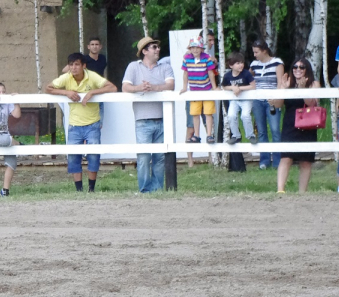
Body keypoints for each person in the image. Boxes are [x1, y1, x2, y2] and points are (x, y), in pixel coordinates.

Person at [47, 52, 117, 193]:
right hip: (74, 124)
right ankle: (79, 189)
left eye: (77, 64)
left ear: (84, 66)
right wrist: (66, 93)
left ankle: (91, 188)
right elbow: (48, 88)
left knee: (93, 155)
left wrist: (92, 93)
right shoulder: (66, 78)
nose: (74, 68)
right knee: (73, 157)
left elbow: (112, 88)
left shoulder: (92, 76)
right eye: (71, 65)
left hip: (92, 123)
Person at [121, 36, 176, 193]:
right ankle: (145, 189)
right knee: (144, 157)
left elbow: (171, 85)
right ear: (144, 51)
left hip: (162, 118)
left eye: (157, 47)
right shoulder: (133, 66)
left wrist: (154, 88)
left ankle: (157, 189)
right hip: (143, 119)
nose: (157, 49)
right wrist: (140, 88)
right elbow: (125, 87)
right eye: (153, 47)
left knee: (159, 157)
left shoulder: (165, 67)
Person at [273, 59, 320, 194]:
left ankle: (302, 193)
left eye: (301, 67)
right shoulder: (287, 82)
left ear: (307, 69)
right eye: (295, 67)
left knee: (305, 160)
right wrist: (283, 88)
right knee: (286, 157)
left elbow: (311, 103)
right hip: (290, 123)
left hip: (308, 124)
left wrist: (303, 88)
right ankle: (280, 190)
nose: (297, 69)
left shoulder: (313, 84)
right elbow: (277, 105)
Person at [249, 41, 284, 168]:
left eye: (256, 52)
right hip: (257, 100)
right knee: (261, 131)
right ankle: (264, 160)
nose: (254, 55)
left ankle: (277, 161)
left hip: (271, 100)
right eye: (254, 52)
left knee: (275, 130)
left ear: (264, 51)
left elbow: (280, 82)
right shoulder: (254, 65)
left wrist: (278, 98)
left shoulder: (277, 62)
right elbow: (249, 78)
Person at [180, 38, 218, 143]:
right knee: (195, 113)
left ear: (201, 49)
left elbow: (211, 72)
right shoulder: (186, 59)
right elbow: (185, 73)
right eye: (193, 47)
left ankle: (209, 135)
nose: (195, 50)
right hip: (194, 90)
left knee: (208, 113)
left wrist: (214, 87)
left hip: (207, 89)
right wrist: (184, 87)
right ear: (190, 49)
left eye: (197, 47)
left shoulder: (207, 58)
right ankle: (197, 135)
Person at [221, 52, 257, 143]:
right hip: (234, 100)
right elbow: (224, 86)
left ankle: (250, 135)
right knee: (231, 115)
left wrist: (240, 88)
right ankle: (236, 135)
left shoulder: (246, 74)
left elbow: (253, 86)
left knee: (245, 116)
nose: (241, 65)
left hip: (246, 100)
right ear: (231, 65)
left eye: (242, 62)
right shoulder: (227, 76)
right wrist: (232, 88)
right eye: (238, 63)